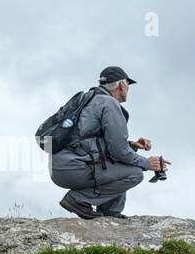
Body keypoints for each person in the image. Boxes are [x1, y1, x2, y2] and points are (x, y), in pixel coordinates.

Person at [50, 66, 170, 219]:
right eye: (128, 85)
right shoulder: (109, 104)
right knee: (135, 173)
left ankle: (110, 214)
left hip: (60, 166)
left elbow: (92, 142)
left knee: (124, 165)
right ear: (122, 85)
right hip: (75, 166)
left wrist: (132, 146)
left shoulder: (89, 98)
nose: (128, 89)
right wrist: (147, 163)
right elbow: (118, 151)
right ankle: (78, 200)